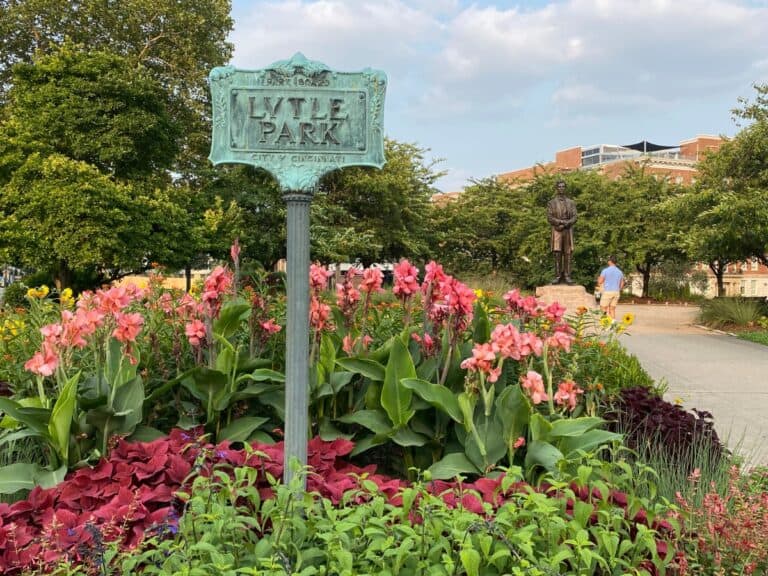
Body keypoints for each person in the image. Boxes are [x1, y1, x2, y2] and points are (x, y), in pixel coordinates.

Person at [546, 180, 578, 284]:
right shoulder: (551, 203)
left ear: (565, 188)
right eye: (559, 186)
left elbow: (575, 216)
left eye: (563, 186)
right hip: (557, 230)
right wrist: (560, 222)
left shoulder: (571, 202)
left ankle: (567, 276)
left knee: (568, 253)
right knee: (557, 253)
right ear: (556, 188)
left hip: (568, 230)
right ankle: (558, 276)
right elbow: (549, 217)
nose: (561, 188)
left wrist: (567, 223)